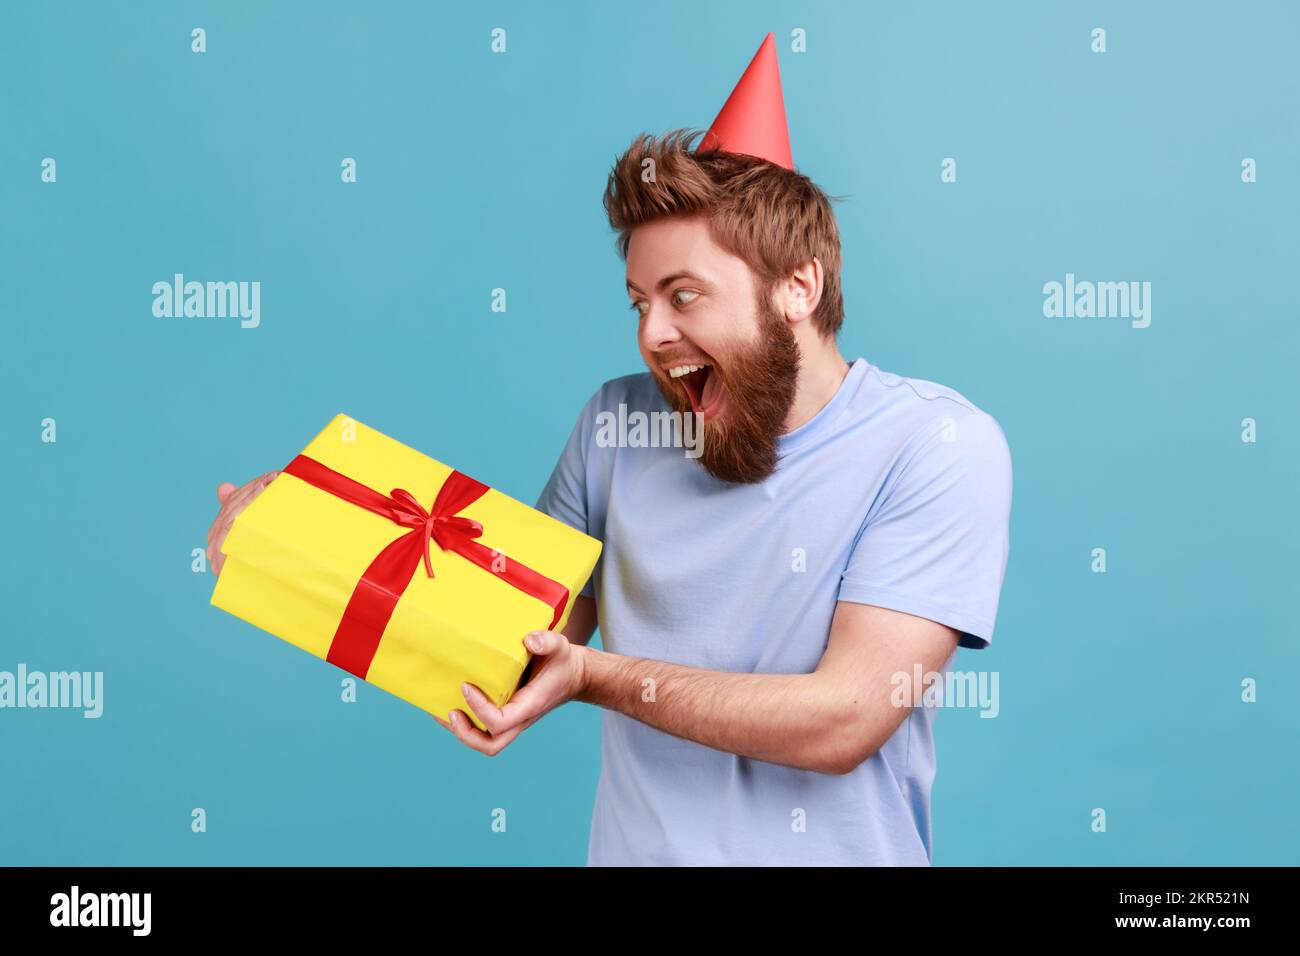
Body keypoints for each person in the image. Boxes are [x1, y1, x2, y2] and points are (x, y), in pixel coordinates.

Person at [206, 34, 1012, 866]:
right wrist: (285, 538)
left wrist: (598, 677)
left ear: (797, 288)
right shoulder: (616, 425)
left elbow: (845, 719)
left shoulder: (935, 447)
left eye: (684, 296)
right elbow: (509, 640)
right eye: (639, 302)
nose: (652, 335)